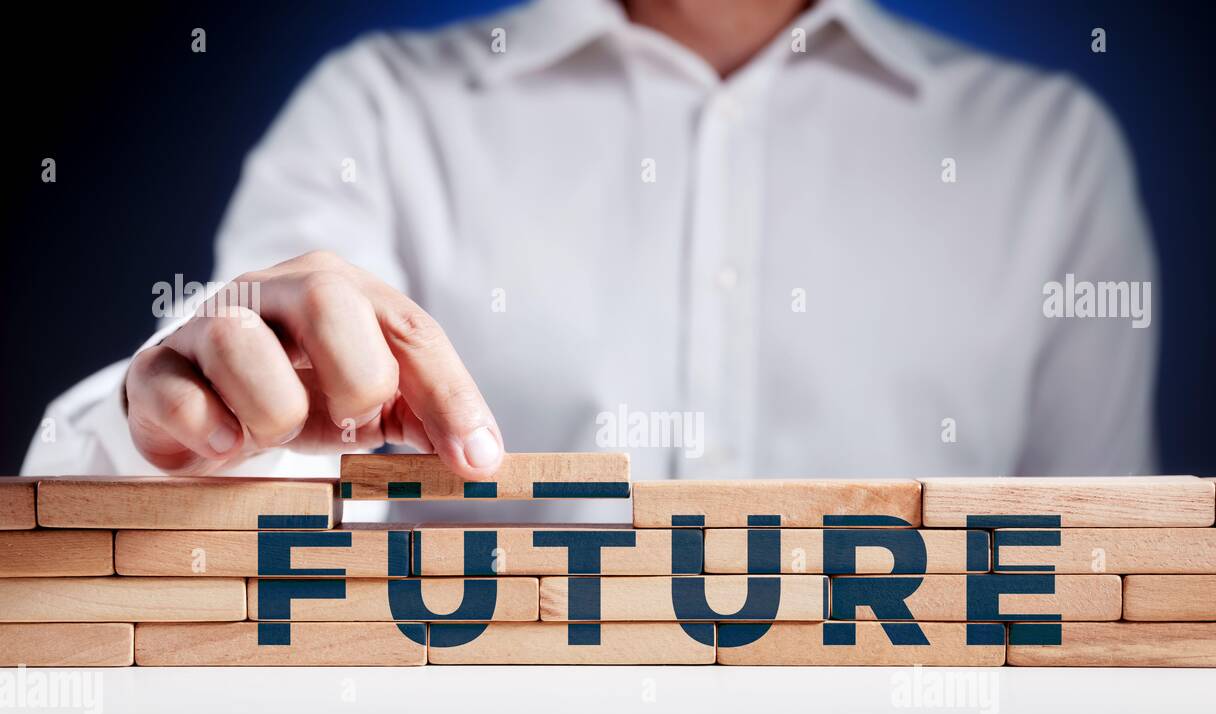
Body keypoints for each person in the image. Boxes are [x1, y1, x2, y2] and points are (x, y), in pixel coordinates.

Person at [23, 0, 1158, 519]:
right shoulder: (376, 114)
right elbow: (255, 527)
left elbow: (1117, 586)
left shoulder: (1046, 148)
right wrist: (164, 432)